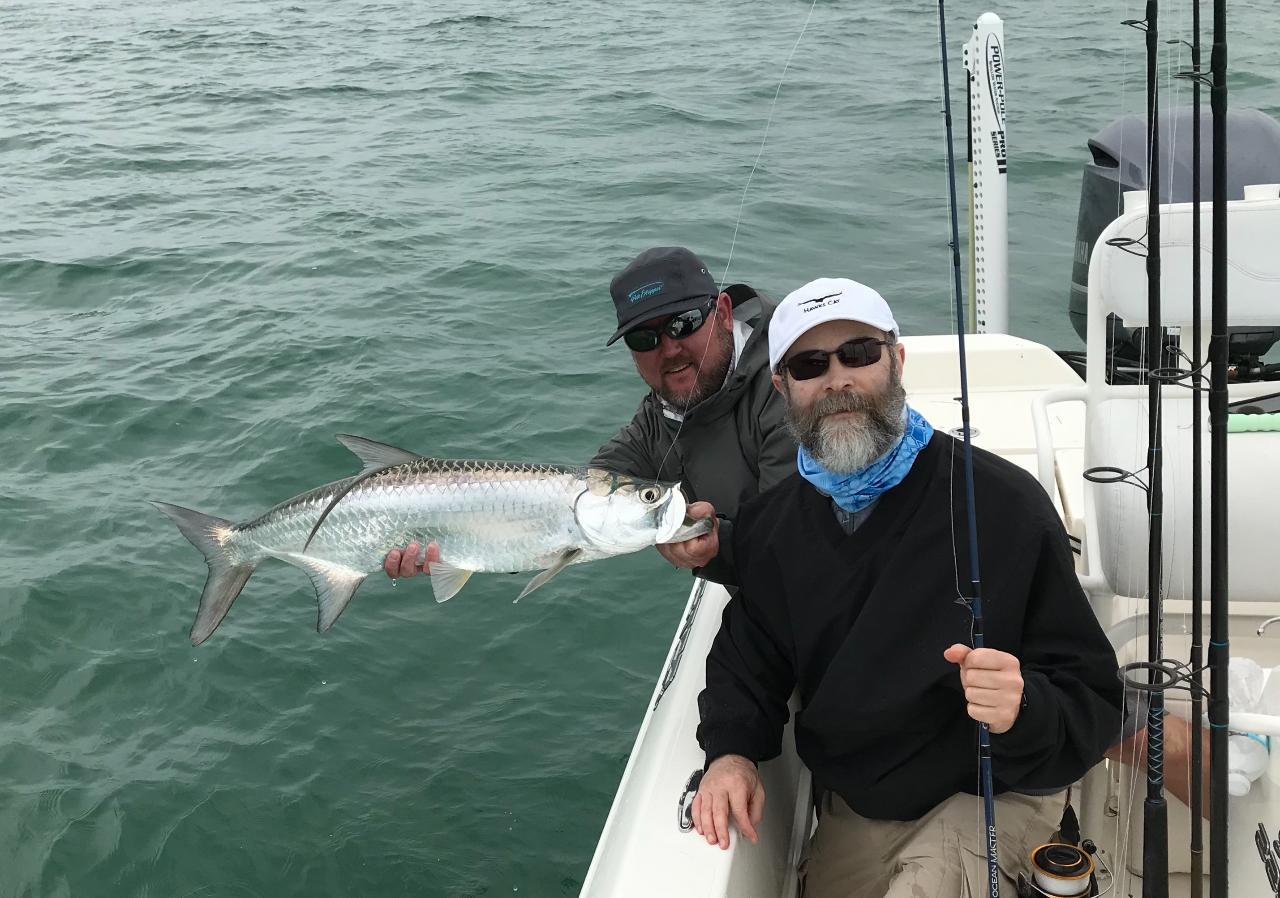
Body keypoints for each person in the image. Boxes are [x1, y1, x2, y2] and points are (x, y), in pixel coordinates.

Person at [690, 277, 1124, 897]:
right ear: (783, 387)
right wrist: (730, 751)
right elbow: (748, 656)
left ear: (895, 361)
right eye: (810, 364)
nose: (838, 379)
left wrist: (1023, 706)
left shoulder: (1005, 506)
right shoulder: (771, 525)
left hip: (985, 795)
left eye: (859, 354)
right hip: (859, 811)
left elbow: (1095, 698)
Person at [384, 246, 797, 586]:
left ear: (723, 312)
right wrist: (455, 538)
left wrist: (717, 545)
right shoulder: (658, 419)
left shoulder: (798, 387)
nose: (669, 349)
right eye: (644, 337)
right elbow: (576, 500)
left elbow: (800, 544)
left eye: (684, 323)